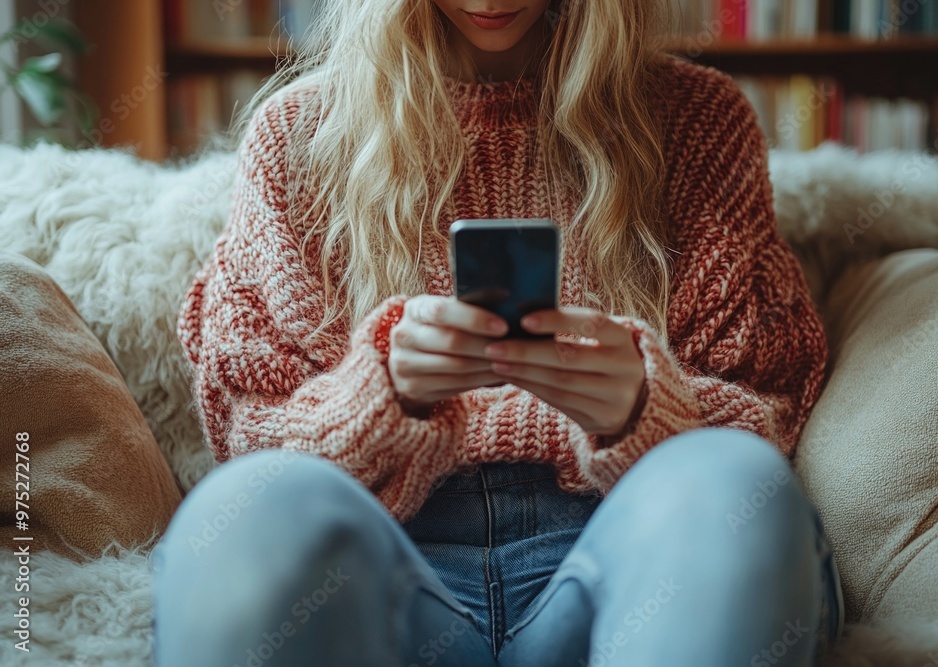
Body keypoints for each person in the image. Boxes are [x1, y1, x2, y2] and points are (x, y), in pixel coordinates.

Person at [152, 1, 844, 665]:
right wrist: (379, 395)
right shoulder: (298, 135)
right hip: (379, 569)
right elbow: (249, 429)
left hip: (630, 551)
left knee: (731, 486)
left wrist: (642, 409)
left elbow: (764, 406)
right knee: (249, 515)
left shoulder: (698, 123)